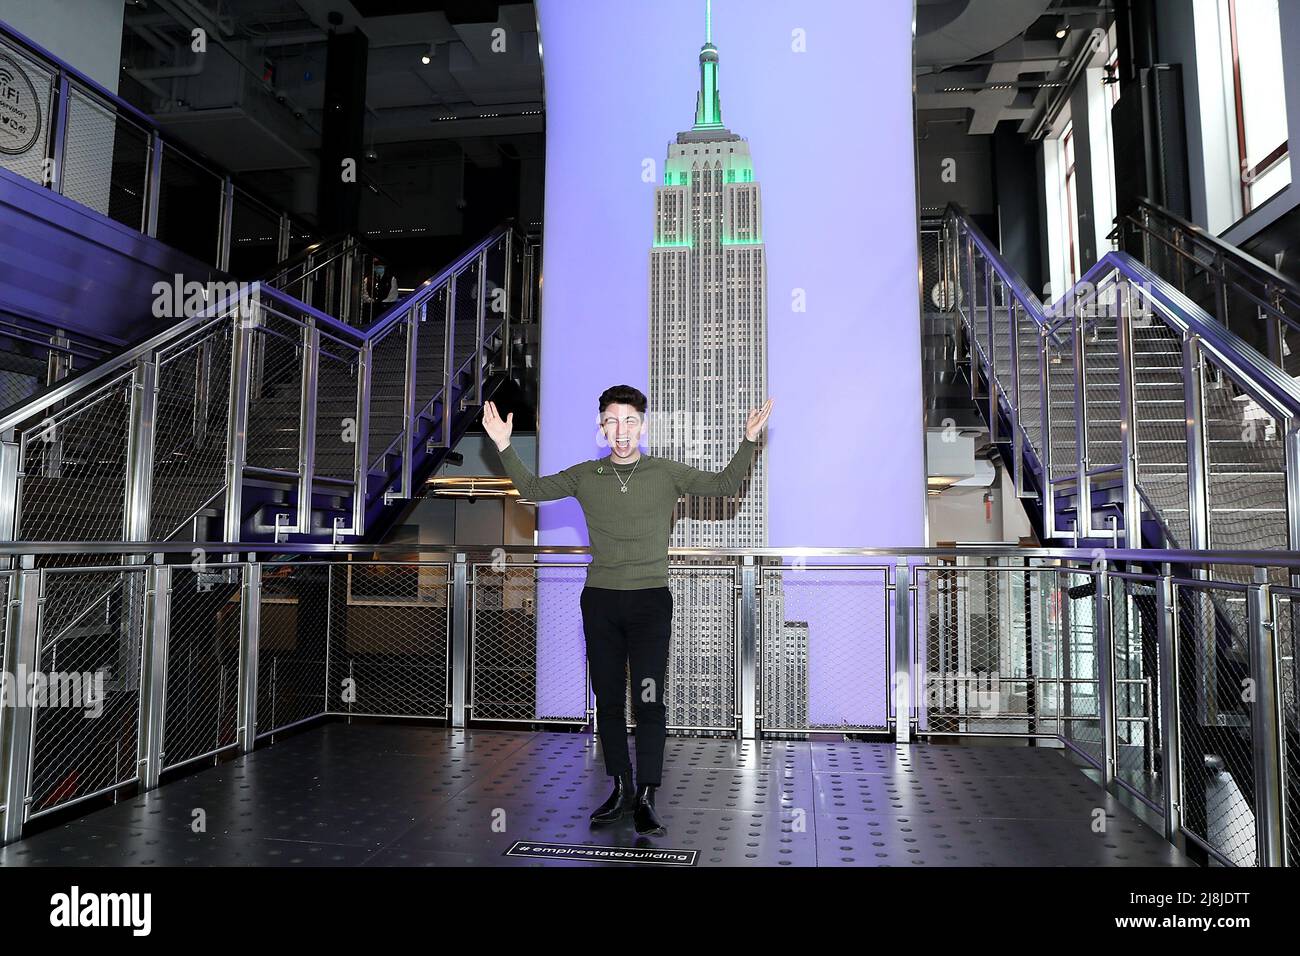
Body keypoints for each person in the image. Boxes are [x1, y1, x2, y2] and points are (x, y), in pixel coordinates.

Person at [482, 385, 773, 837]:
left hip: (649, 604)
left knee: (650, 700)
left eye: (630, 420)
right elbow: (534, 489)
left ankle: (647, 796)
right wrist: (502, 443)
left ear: (644, 425)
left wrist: (749, 439)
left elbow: (724, 486)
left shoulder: (665, 473)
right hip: (600, 602)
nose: (622, 430)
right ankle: (620, 787)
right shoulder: (587, 475)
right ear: (602, 427)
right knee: (610, 702)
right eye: (612, 421)